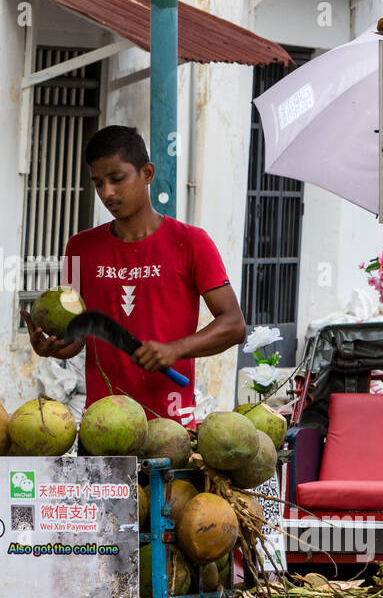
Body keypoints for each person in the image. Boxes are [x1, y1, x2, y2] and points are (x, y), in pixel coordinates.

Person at [21, 125, 247, 425]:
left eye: (117, 179)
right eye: (98, 183)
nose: (107, 193)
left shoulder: (191, 242)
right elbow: (77, 339)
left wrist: (176, 349)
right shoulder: (79, 247)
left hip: (169, 426)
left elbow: (234, 325)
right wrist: (53, 347)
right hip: (102, 423)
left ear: (147, 173)